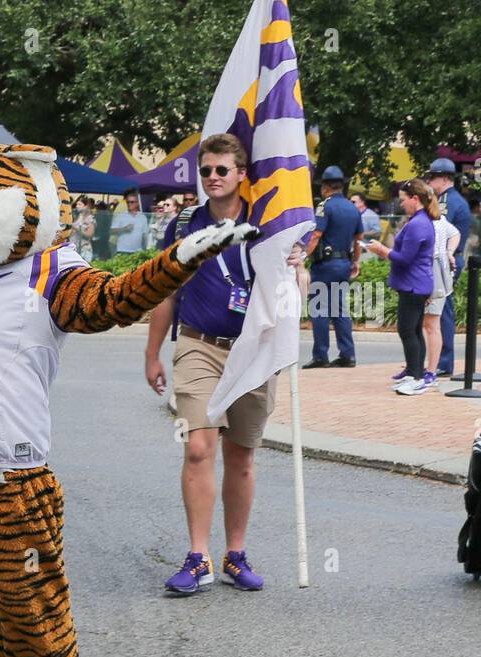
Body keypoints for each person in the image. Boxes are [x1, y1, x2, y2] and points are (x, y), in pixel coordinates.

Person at [144, 133, 307, 595]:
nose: (213, 177)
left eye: (222, 170)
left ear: (241, 175)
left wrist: (298, 264)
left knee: (242, 455)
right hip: (198, 344)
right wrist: (152, 353)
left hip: (252, 350)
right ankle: (198, 557)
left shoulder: (270, 226)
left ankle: (236, 554)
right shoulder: (182, 227)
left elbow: (293, 287)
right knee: (198, 447)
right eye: (207, 170)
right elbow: (164, 292)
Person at [363, 179, 437, 395]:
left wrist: (381, 250)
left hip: (414, 285)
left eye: (403, 199)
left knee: (407, 330)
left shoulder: (418, 224)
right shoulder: (420, 221)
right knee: (413, 330)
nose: (401, 204)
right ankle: (416, 374)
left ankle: (415, 378)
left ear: (415, 199)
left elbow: (405, 258)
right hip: (416, 283)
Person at [302, 166, 362, 368]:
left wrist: (302, 257)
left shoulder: (325, 206)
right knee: (339, 309)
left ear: (326, 187)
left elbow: (316, 235)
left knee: (319, 308)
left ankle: (321, 355)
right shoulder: (352, 207)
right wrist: (356, 261)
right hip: (344, 263)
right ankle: (348, 354)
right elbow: (358, 238)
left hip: (325, 265)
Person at [426, 158, 471, 376]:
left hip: (446, 260)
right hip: (448, 258)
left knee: (442, 311)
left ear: (444, 178)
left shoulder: (445, 202)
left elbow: (438, 229)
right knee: (441, 310)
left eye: (432, 177)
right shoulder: (452, 199)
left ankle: (443, 361)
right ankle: (441, 359)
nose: (429, 181)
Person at [421, 192, 461, 387]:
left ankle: (432, 369)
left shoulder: (433, 223)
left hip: (434, 277)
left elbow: (454, 235)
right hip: (435, 277)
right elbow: (455, 234)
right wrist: (449, 251)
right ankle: (428, 368)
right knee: (429, 324)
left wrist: (448, 252)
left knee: (432, 324)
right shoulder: (438, 220)